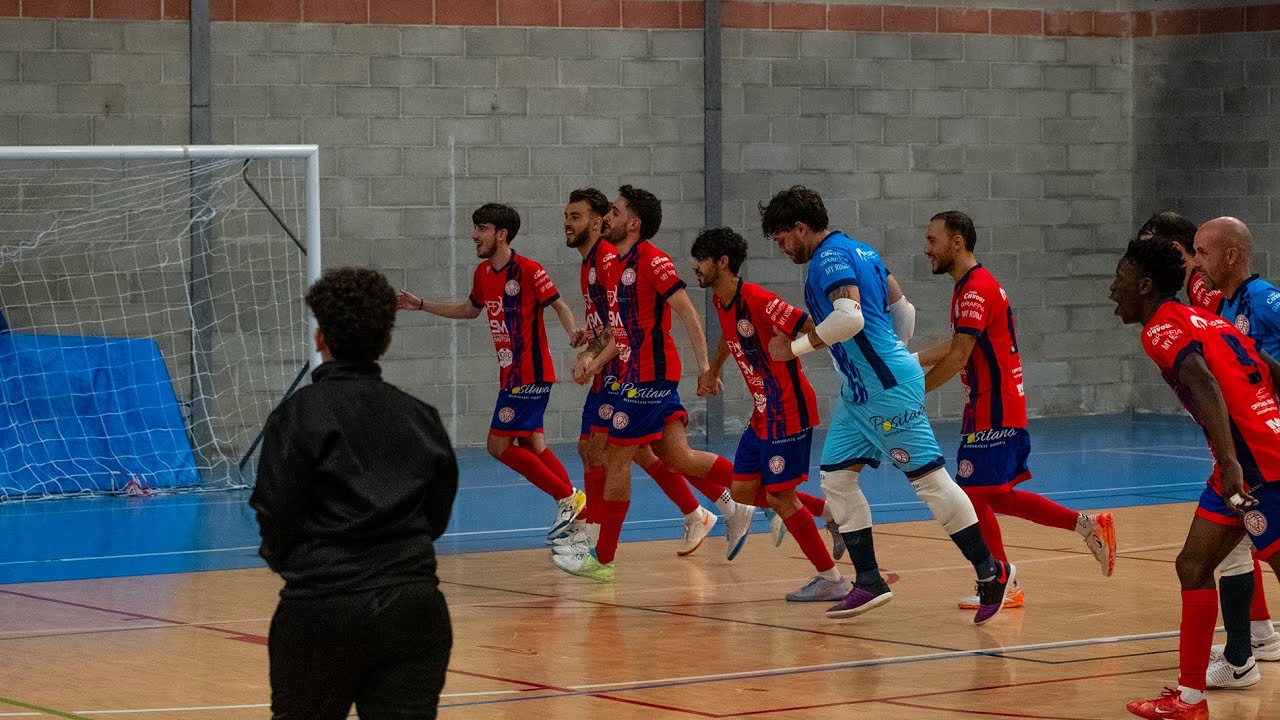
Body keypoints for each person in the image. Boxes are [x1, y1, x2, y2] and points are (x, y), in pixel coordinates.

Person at [760, 186, 1012, 625]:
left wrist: (796, 348)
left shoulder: (828, 259)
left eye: (782, 240)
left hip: (883, 390)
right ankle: (870, 581)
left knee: (930, 482)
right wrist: (888, 355)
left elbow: (850, 317)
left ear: (800, 228)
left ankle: (991, 572)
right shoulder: (862, 250)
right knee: (836, 479)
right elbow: (904, 310)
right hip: (860, 394)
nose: (782, 249)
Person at [251, 267, 458, 720]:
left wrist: (312, 572)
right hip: (413, 610)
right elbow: (437, 515)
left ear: (320, 338)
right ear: (386, 341)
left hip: (320, 610)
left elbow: (275, 512)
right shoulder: (421, 417)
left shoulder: (296, 416)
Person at [1113, 238, 1280, 720]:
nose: (1111, 290)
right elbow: (1271, 370)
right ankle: (1190, 699)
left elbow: (1203, 381)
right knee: (1192, 565)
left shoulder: (1161, 327)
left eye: (1119, 278)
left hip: (1257, 466)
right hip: (1244, 458)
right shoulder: (1209, 319)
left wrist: (1232, 463)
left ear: (1145, 285)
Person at [553, 186, 754, 582]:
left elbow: (687, 313)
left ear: (633, 222)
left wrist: (705, 368)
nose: (608, 218)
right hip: (631, 371)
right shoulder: (616, 263)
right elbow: (623, 332)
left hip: (650, 375)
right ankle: (753, 501)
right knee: (676, 457)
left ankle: (601, 555)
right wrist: (594, 360)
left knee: (613, 454)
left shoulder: (650, 260)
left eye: (614, 212)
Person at [916, 211, 1116, 611]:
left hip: (996, 407)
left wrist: (911, 392)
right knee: (997, 497)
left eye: (932, 240)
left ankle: (1000, 579)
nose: (927, 249)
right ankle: (1087, 526)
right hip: (987, 405)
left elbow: (959, 356)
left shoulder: (976, 289)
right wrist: (910, 361)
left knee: (972, 497)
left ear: (957, 242)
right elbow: (958, 343)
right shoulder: (968, 287)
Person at [398, 203, 586, 539]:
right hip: (510, 374)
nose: (474, 235)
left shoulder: (529, 269)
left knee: (497, 446)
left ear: (501, 234)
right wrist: (422, 305)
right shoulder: (483, 274)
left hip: (530, 372)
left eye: (482, 228)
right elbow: (470, 310)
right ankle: (578, 510)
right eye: (475, 228)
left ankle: (567, 497)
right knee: (532, 443)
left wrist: (573, 331)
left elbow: (559, 305)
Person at [691, 226, 851, 601]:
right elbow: (730, 336)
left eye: (701, 260)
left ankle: (831, 579)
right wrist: (713, 370)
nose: (695, 266)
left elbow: (813, 326)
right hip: (763, 412)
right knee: (743, 491)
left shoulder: (758, 299)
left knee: (780, 497)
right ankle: (829, 513)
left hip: (789, 408)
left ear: (722, 262)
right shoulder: (720, 300)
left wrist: (794, 348)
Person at [1187, 216, 1280, 687]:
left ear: (1230, 255)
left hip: (1270, 452)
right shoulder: (1224, 306)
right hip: (1246, 454)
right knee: (1218, 555)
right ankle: (1241, 655)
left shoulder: (1264, 299)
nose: (1197, 264)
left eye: (1202, 253)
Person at [1137, 211, 1219, 310]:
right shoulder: (1198, 285)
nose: (1143, 262)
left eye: (1150, 252)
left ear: (1175, 249)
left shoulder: (1202, 287)